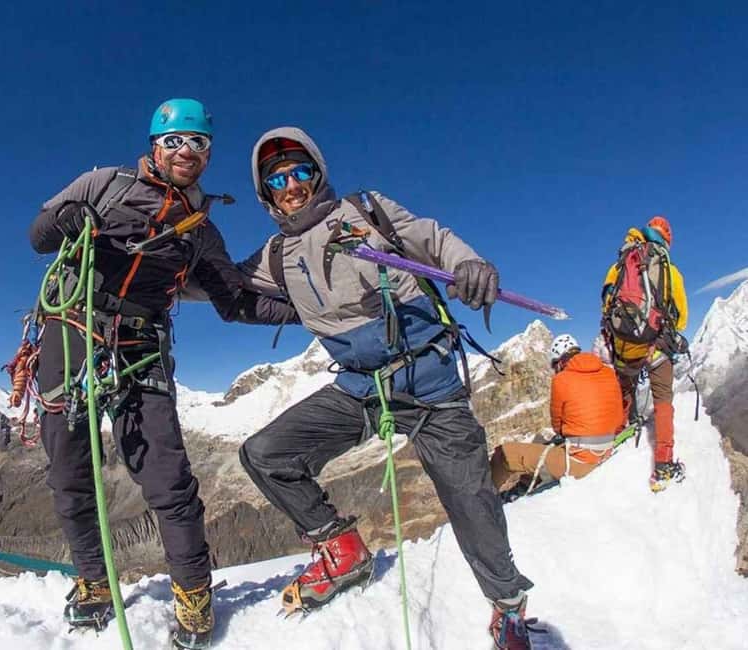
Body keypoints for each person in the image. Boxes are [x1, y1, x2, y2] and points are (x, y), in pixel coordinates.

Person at [237, 127, 534, 649]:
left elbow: (431, 238)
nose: (291, 184)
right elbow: (225, 285)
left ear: (318, 173)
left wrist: (469, 264)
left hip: (429, 383)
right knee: (265, 454)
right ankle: (341, 548)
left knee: (471, 502)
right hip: (361, 388)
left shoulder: (365, 210)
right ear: (266, 192)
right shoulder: (274, 256)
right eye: (277, 177)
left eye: (300, 170)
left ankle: (508, 606)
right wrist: (160, 270)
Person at [28, 99, 296, 648]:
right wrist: (68, 220)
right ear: (154, 143)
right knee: (69, 470)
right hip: (72, 326)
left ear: (208, 155)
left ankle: (195, 599)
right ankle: (94, 582)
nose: (186, 153)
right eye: (175, 141)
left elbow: (235, 301)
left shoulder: (200, 231)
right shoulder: (102, 184)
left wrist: (310, 312)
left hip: (140, 346)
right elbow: (38, 235)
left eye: (198, 145)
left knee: (169, 479)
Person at [601, 216, 688, 492]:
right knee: (663, 399)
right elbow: (682, 317)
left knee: (623, 389)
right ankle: (663, 467)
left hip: (624, 345)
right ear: (666, 241)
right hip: (657, 347)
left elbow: (606, 301)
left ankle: (618, 434)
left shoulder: (620, 264)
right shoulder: (670, 271)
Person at [490, 334, 623, 500]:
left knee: (505, 453)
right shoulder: (609, 373)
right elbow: (619, 420)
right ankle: (521, 489)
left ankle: (484, 500)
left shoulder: (562, 379)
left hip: (581, 462)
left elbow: (558, 426)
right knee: (540, 443)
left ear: (559, 362)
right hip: (606, 450)